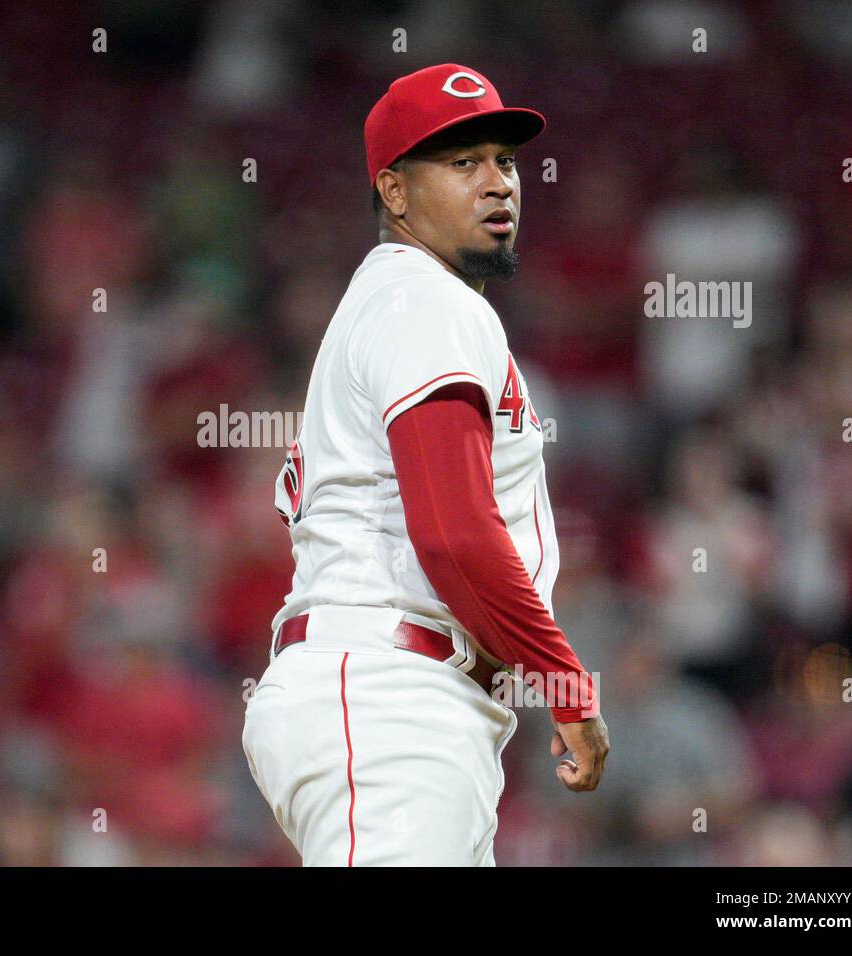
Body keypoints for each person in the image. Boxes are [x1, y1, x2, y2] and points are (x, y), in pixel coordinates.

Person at [242, 64, 609, 866]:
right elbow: (450, 531)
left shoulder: (393, 304)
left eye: (504, 161)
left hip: (394, 698)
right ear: (395, 193)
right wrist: (564, 683)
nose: (496, 183)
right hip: (388, 694)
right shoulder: (422, 300)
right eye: (461, 162)